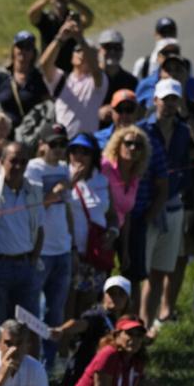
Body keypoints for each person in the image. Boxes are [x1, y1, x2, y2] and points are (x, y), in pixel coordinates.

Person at [134, 80, 194, 324]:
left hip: (174, 206)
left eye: (174, 99)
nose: (170, 105)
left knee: (161, 270)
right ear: (155, 100)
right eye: (165, 99)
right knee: (143, 271)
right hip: (148, 208)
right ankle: (137, 321)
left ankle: (149, 323)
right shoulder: (142, 131)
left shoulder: (182, 131)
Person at [0, 144, 44, 352]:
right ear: (2, 161)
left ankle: (32, 376)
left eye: (23, 162)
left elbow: (39, 228)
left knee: (30, 325)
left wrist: (33, 259)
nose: (18, 166)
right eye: (13, 160)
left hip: (25, 264)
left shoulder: (34, 190)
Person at [25, 126, 74, 368]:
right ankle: (33, 359)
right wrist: (55, 192)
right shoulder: (33, 168)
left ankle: (50, 361)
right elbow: (34, 207)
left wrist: (72, 240)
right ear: (42, 143)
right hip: (41, 249)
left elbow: (68, 208)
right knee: (34, 309)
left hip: (63, 248)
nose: (58, 150)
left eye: (62, 145)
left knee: (56, 310)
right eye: (53, 144)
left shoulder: (65, 168)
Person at [65, 133, 117, 321]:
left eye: (85, 152)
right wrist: (70, 183)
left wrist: (113, 232)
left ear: (93, 155)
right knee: (68, 302)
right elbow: (53, 205)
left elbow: (111, 215)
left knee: (88, 303)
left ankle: (78, 345)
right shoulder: (62, 175)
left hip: (95, 253)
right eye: (74, 151)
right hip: (72, 251)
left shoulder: (102, 181)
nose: (79, 156)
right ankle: (63, 347)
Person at [51, 275, 133, 386]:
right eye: (111, 293)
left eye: (121, 294)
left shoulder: (126, 321)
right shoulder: (97, 315)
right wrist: (62, 330)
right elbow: (80, 323)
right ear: (104, 295)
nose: (115, 298)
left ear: (127, 300)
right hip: (84, 379)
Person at [39, 19, 107, 135]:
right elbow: (44, 65)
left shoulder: (99, 80)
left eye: (87, 51)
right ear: (71, 57)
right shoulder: (61, 78)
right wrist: (60, 38)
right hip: (63, 143)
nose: (83, 54)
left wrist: (80, 39)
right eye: (78, 50)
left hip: (87, 145)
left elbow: (96, 70)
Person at [27, 0, 94, 72]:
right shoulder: (46, 18)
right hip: (49, 70)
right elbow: (31, 14)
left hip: (71, 70)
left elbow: (89, 18)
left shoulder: (73, 17)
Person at [0, 31, 50, 127]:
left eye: (28, 48)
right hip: (6, 134)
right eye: (20, 46)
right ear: (13, 50)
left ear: (33, 52)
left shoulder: (38, 78)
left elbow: (48, 107)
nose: (23, 51)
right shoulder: (0, 77)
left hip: (31, 134)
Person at [96, 29, 140, 125]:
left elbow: (138, 111)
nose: (112, 51)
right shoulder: (91, 79)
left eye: (117, 48)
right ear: (99, 50)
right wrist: (96, 113)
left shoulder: (131, 81)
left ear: (122, 51)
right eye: (108, 47)